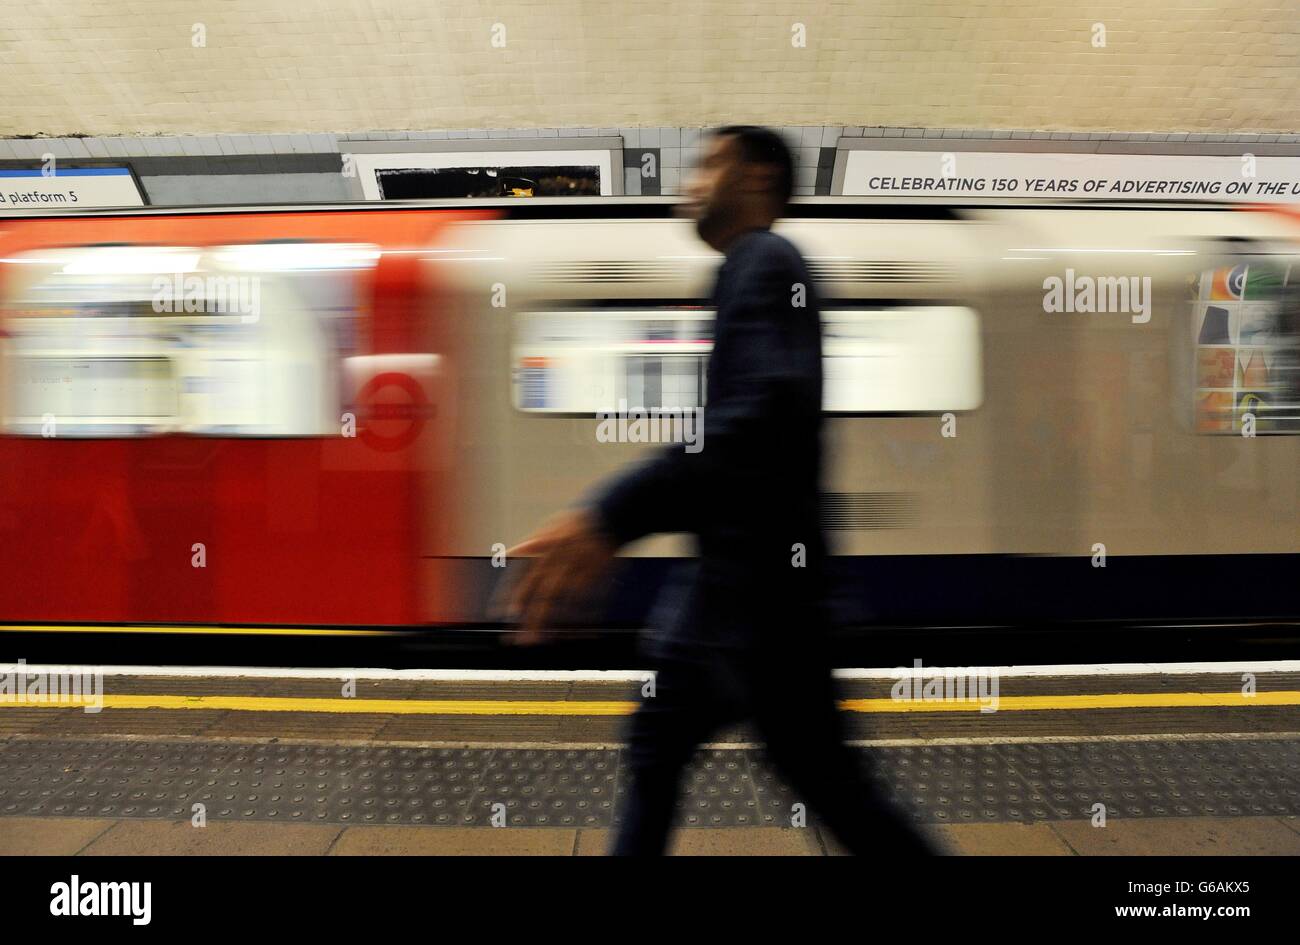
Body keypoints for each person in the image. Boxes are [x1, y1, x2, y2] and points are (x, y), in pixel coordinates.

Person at [508, 125, 935, 856]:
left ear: (759, 175)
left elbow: (758, 419)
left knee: (832, 790)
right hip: (730, 595)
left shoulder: (766, 259)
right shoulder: (753, 266)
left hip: (760, 605)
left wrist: (609, 516)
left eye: (712, 162)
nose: (694, 177)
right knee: (662, 753)